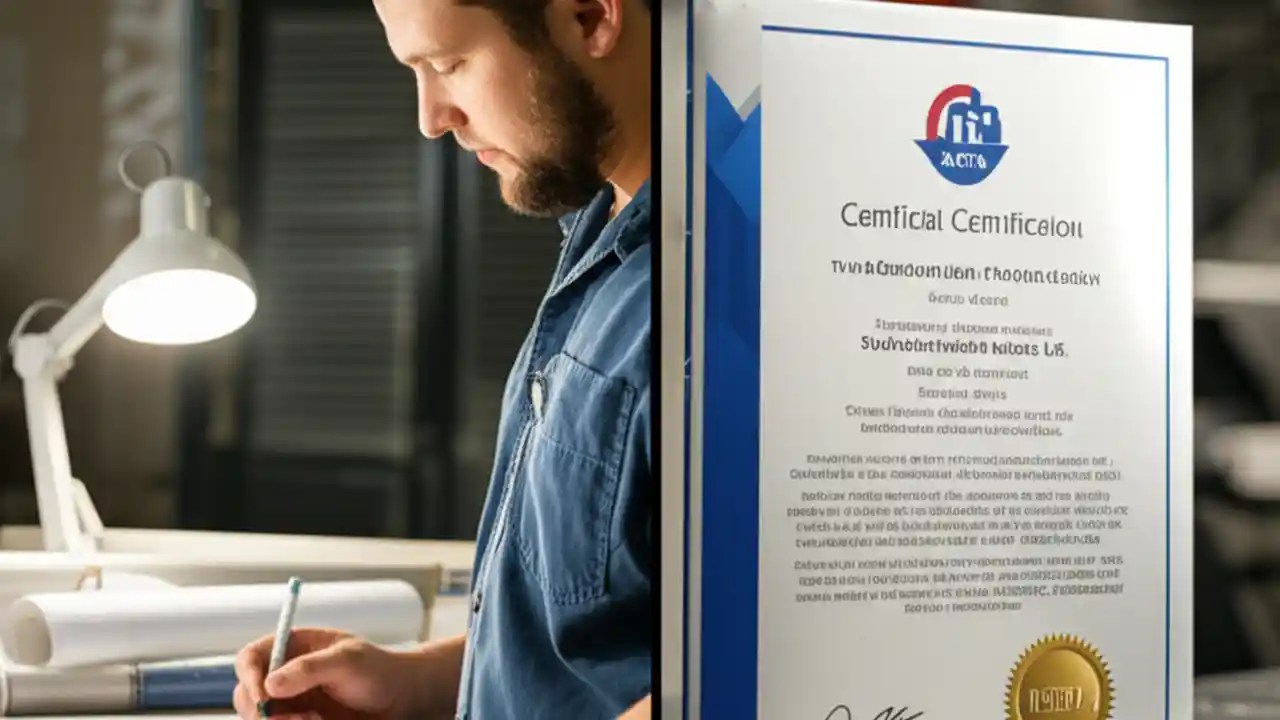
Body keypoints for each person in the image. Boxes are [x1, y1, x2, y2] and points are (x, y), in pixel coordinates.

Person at [231, 0, 653, 718]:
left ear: (589, 17)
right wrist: (417, 683)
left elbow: (743, 676)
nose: (431, 117)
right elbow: (600, 646)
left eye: (448, 64)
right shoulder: (597, 240)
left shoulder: (720, 295)